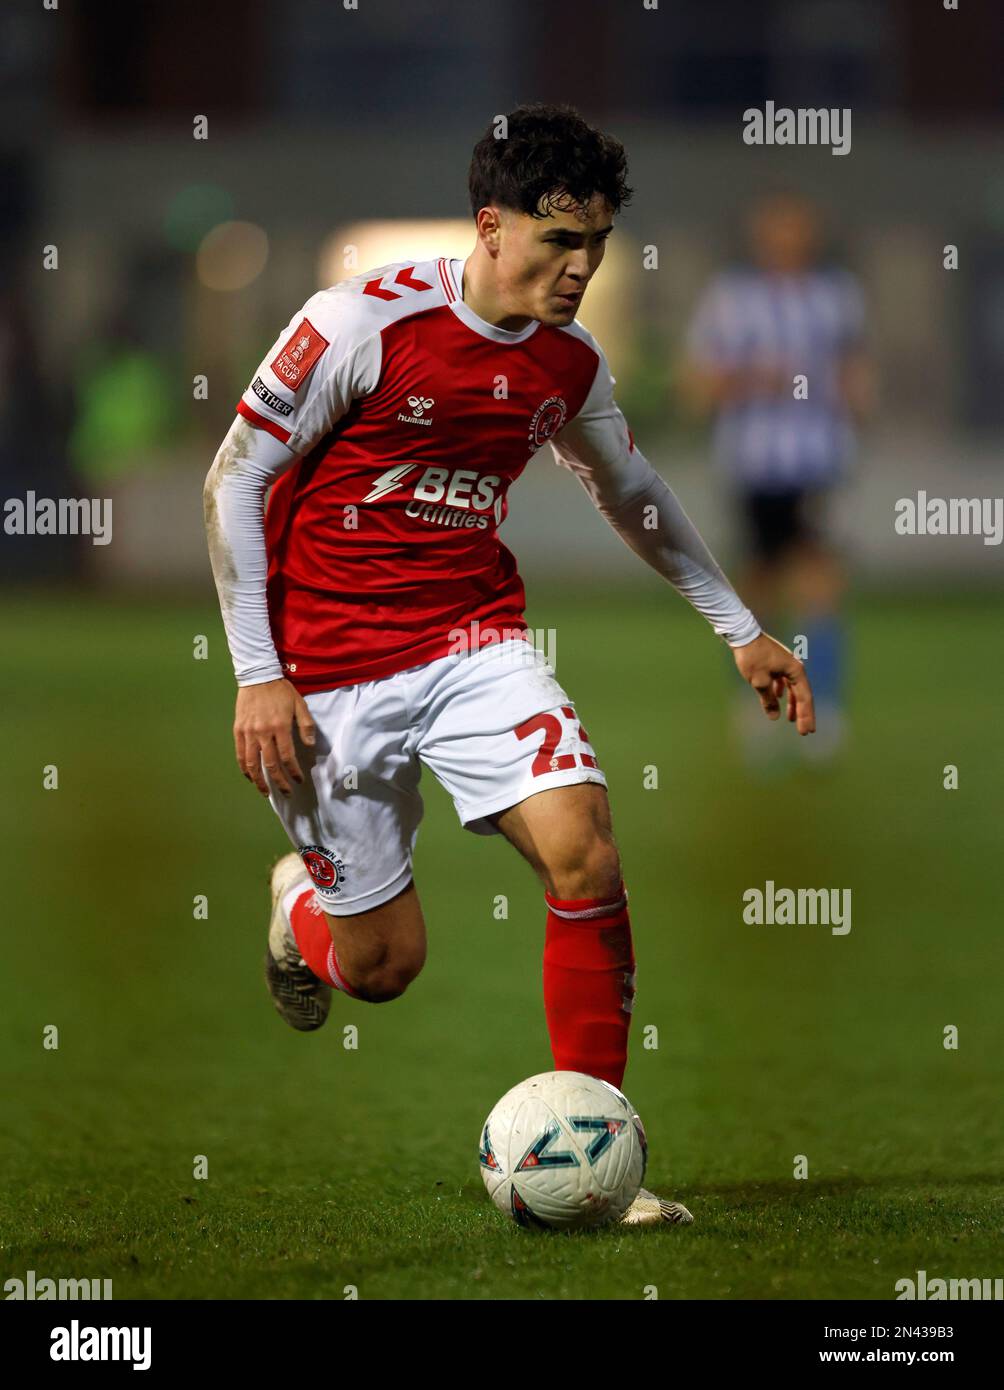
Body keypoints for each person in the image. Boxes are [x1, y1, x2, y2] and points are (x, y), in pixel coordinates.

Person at [204, 104, 814, 1228]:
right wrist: (256, 672)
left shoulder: (567, 361)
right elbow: (235, 479)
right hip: (324, 673)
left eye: (594, 246)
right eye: (556, 241)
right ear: (490, 225)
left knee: (583, 847)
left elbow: (631, 492)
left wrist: (739, 627)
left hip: (474, 644)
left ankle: (601, 1152)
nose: (578, 268)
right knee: (383, 966)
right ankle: (300, 912)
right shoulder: (356, 323)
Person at [681, 190, 870, 765]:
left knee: (819, 583)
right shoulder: (731, 299)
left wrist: (856, 405)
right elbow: (697, 387)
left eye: (797, 227)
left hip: (815, 463)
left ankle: (824, 712)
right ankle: (760, 710)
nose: (788, 238)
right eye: (777, 227)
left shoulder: (836, 296)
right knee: (756, 591)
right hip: (752, 464)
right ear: (760, 235)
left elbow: (856, 377)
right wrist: (755, 379)